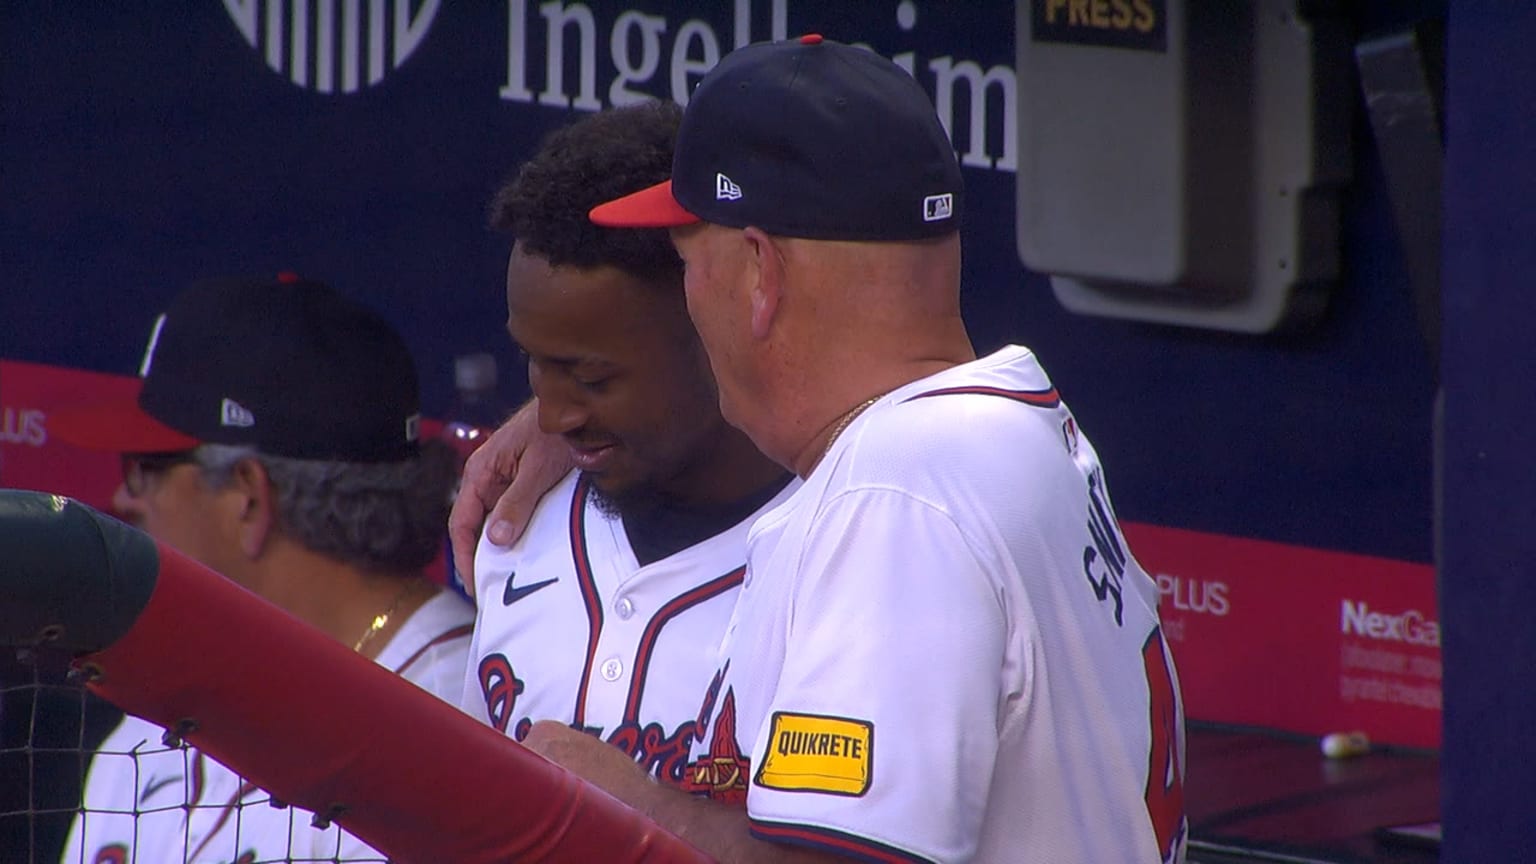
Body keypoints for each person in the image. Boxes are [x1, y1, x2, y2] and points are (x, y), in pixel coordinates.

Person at [467, 35, 1188, 864]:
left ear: (759, 272)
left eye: (689, 260)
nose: (693, 300)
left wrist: (615, 802)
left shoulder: (893, 495)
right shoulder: (1020, 438)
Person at [49, 274, 474, 863]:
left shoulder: (464, 730)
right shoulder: (149, 727)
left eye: (145, 466)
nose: (124, 498)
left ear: (248, 495)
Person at [460, 100, 796, 780]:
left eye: (591, 377)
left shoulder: (840, 552)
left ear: (717, 324)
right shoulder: (519, 524)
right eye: (535, 364)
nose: (552, 416)